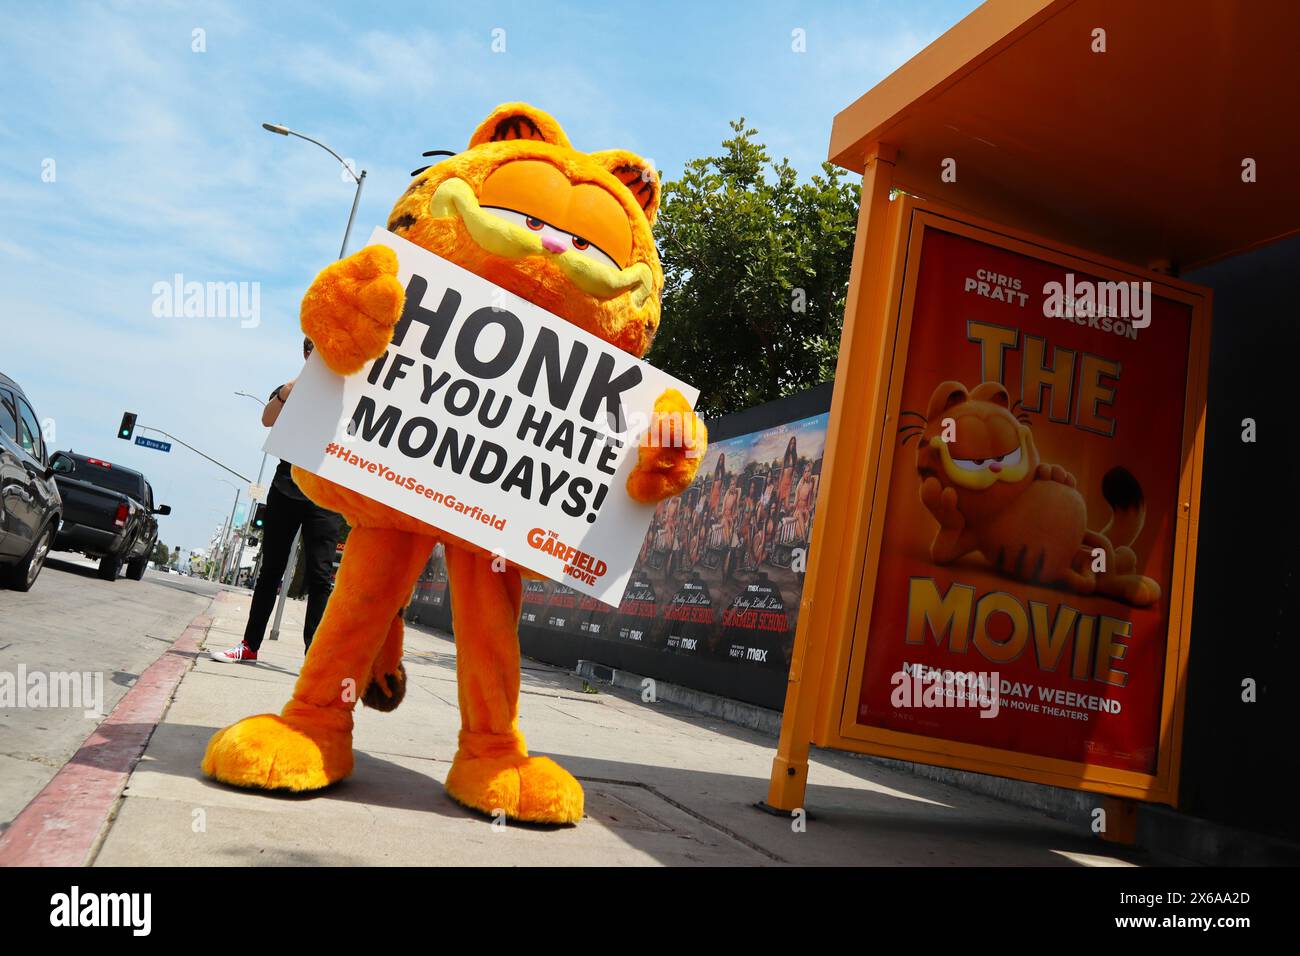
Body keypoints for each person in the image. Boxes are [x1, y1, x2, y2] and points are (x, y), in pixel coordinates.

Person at [211, 337, 343, 663]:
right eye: (311, 351)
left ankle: (315, 659)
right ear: (305, 353)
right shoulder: (290, 388)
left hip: (325, 495)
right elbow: (267, 419)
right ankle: (249, 645)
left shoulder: (346, 393)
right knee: (270, 570)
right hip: (286, 487)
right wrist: (288, 389)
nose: (317, 357)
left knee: (320, 576)